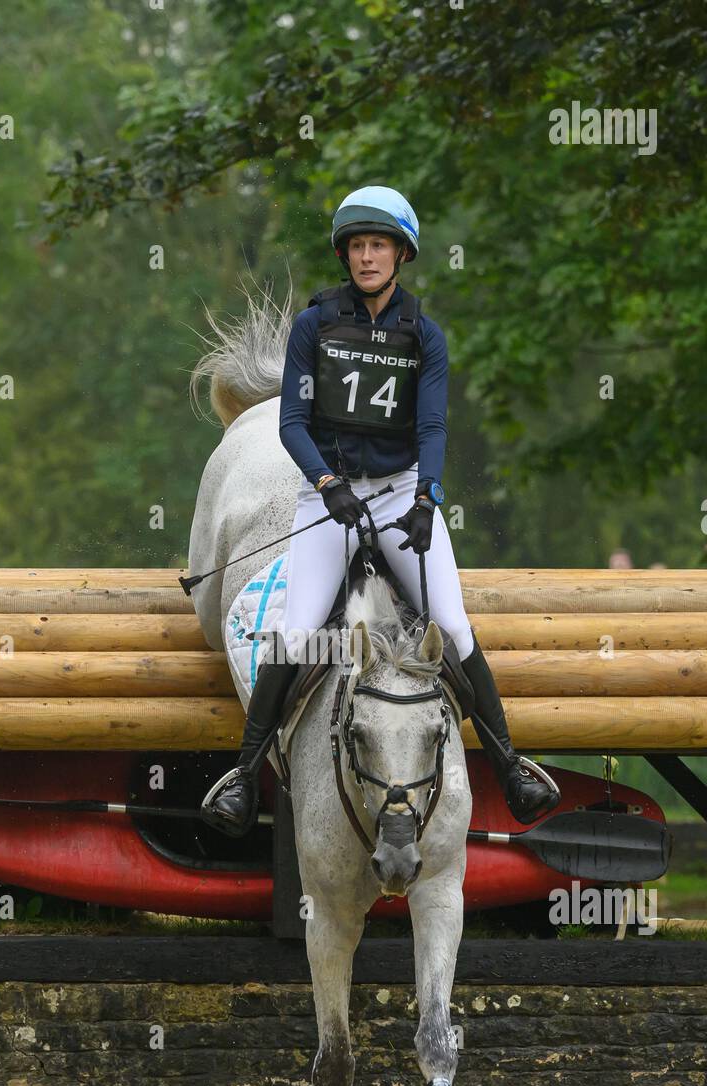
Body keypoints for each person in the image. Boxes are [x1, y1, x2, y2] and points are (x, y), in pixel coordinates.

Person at [201, 185, 560, 837]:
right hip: (330, 493)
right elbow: (291, 422)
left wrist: (425, 498)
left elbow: (432, 428)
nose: (367, 257)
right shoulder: (314, 328)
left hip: (399, 495)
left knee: (453, 625)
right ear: (346, 255)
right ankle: (244, 776)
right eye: (358, 246)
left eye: (379, 246)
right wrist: (326, 483)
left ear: (401, 254)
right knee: (297, 631)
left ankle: (511, 767)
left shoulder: (425, 337)